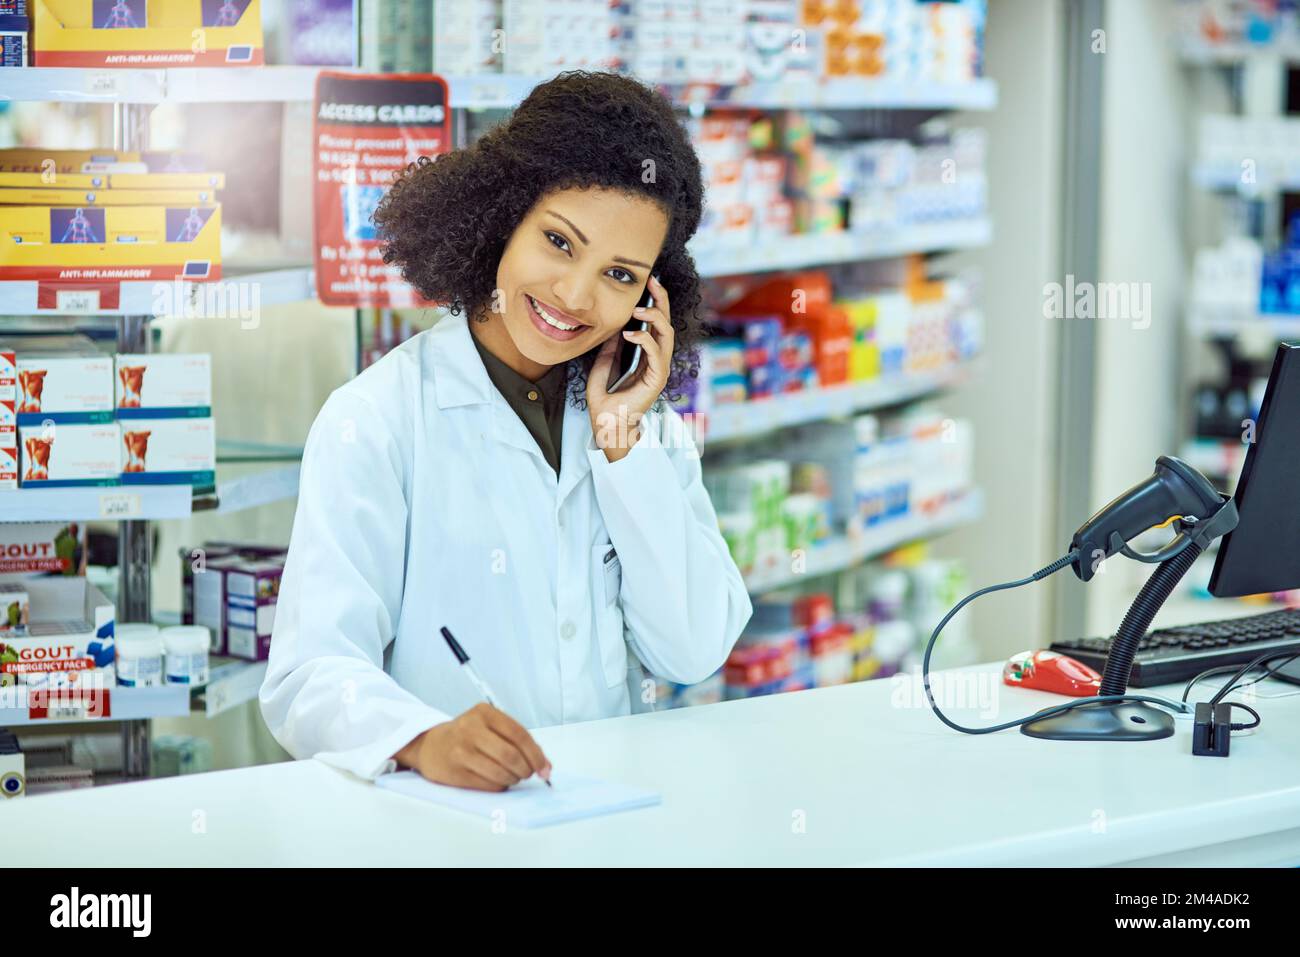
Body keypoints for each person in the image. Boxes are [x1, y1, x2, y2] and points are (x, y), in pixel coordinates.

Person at [260, 71, 752, 791]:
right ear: (501, 216)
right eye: (559, 241)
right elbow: (309, 674)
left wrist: (623, 446)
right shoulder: (377, 419)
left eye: (620, 274)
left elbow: (694, 649)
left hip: (597, 819)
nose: (577, 296)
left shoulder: (639, 426)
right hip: (441, 826)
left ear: (653, 295)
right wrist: (422, 738)